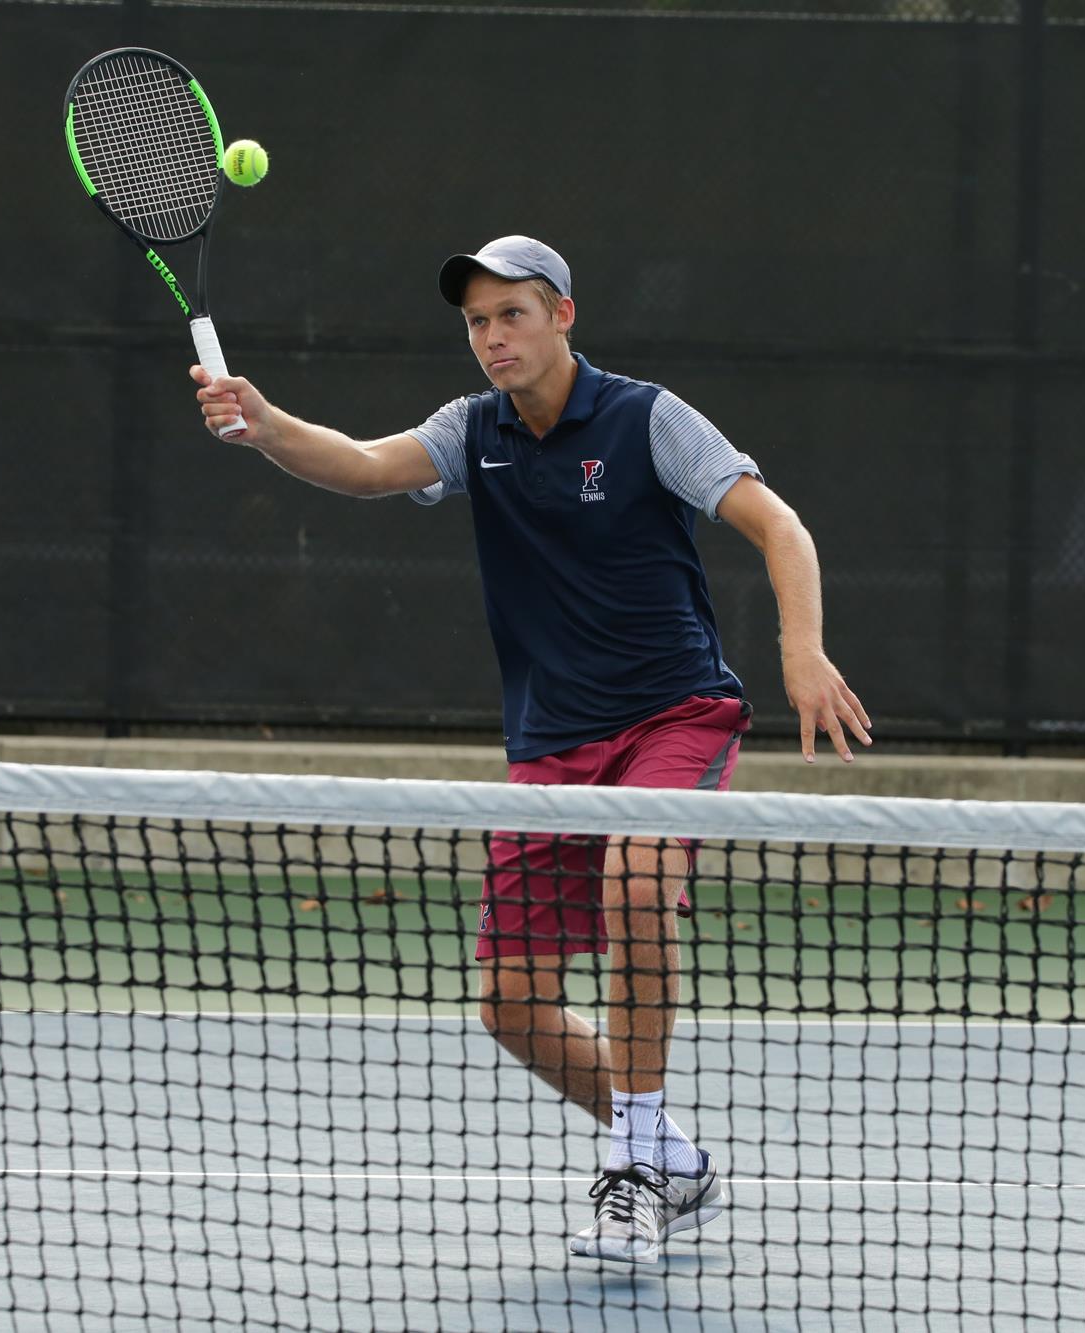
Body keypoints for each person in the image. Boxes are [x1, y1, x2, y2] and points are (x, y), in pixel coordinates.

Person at [191, 235, 871, 1263]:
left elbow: (776, 525)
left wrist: (802, 648)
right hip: (551, 738)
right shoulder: (474, 431)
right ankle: (670, 1158)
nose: (491, 337)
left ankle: (632, 1170)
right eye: (474, 321)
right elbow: (370, 467)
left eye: (510, 313)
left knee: (637, 885)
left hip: (671, 716)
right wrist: (266, 426)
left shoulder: (647, 419)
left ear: (561, 314)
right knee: (509, 1004)